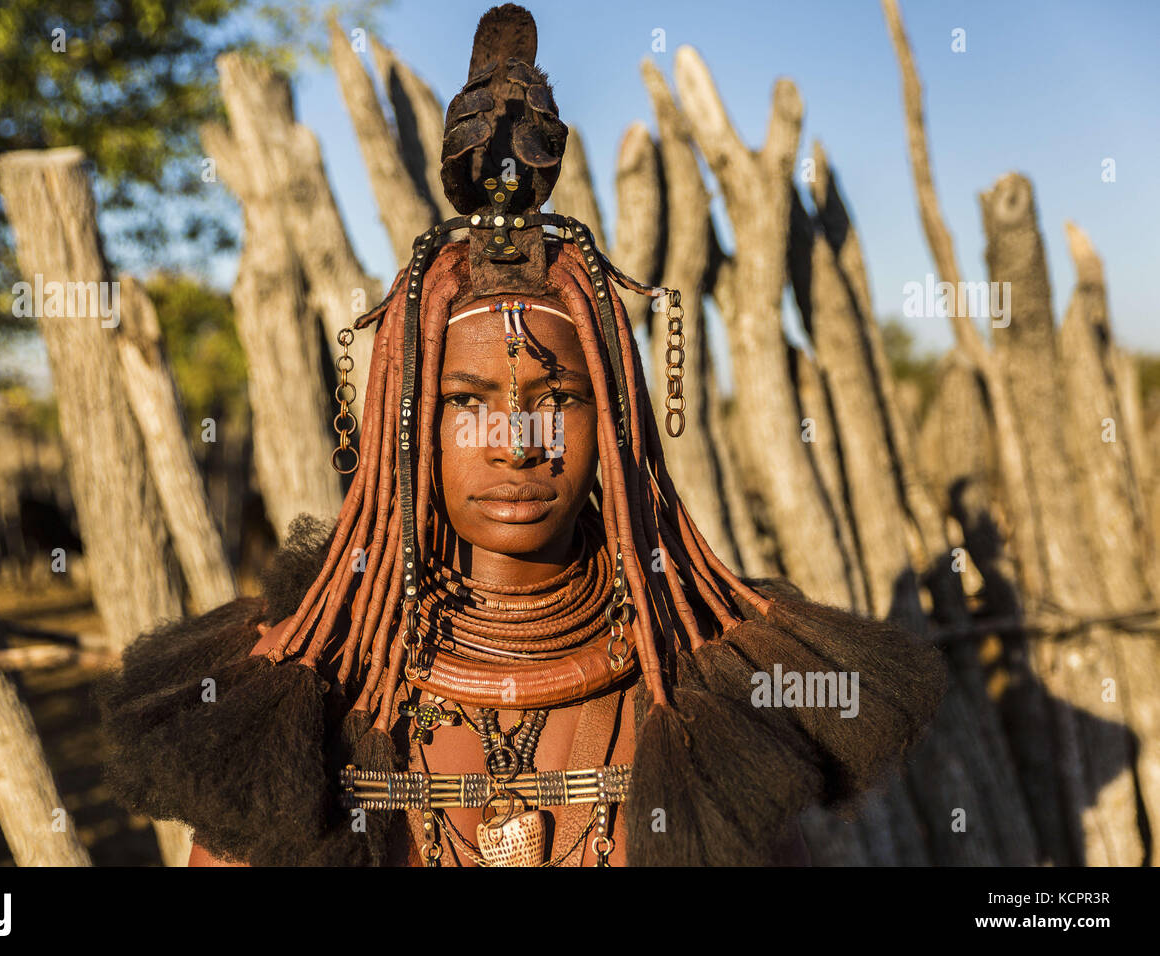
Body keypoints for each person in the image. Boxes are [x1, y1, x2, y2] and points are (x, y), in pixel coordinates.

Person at [96, 3, 947, 868]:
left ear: (617, 422)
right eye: (467, 401)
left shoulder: (704, 701)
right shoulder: (302, 695)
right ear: (405, 421)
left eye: (560, 397)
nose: (517, 441)